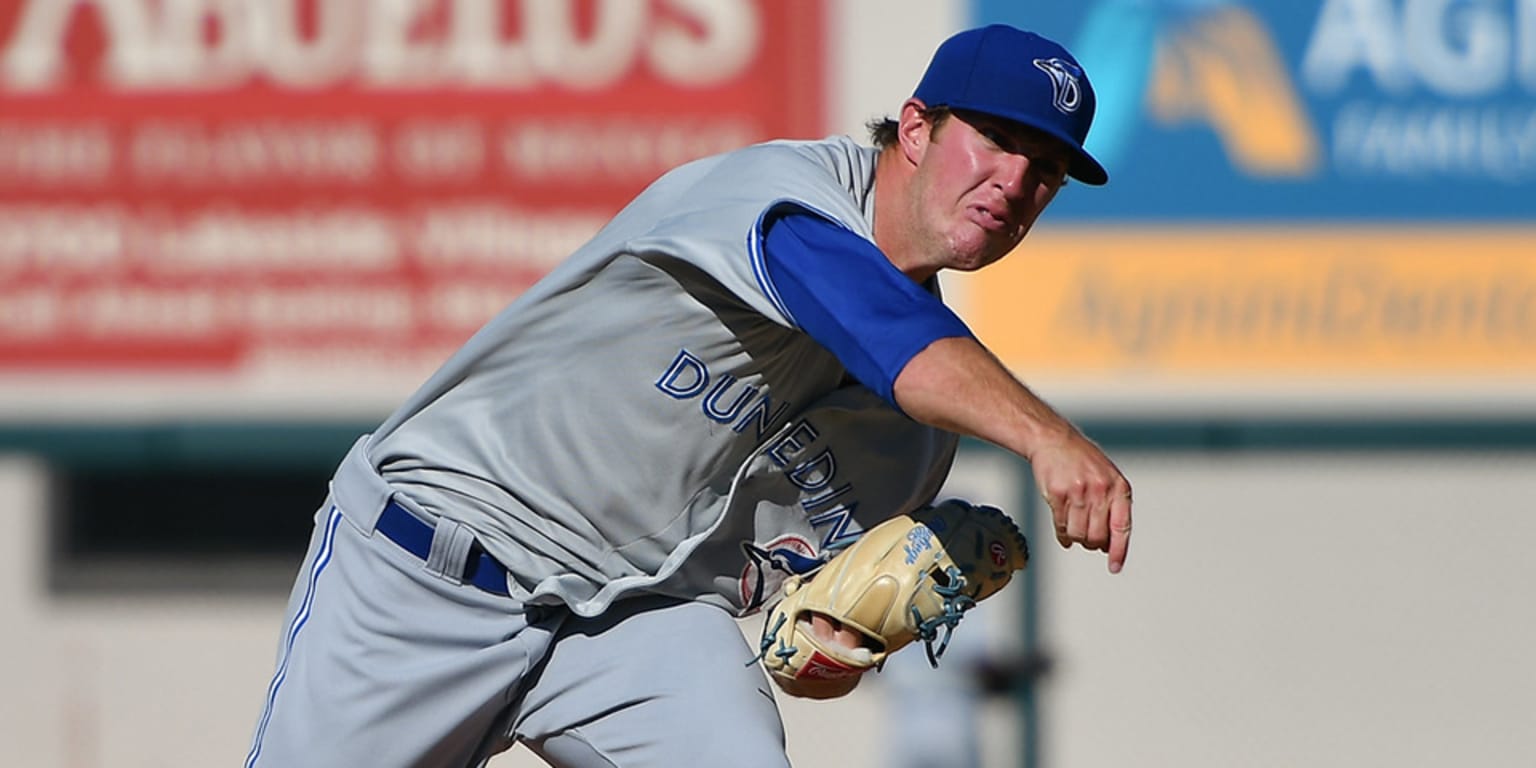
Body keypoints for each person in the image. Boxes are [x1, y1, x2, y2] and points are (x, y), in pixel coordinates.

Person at [245, 23, 1132, 768]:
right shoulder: (778, 200)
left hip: (631, 623)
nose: (1016, 183)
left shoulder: (916, 440)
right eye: (1000, 140)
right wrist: (1048, 436)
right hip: (431, 569)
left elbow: (794, 598)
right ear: (914, 129)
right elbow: (882, 327)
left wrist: (830, 645)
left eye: (1046, 170)